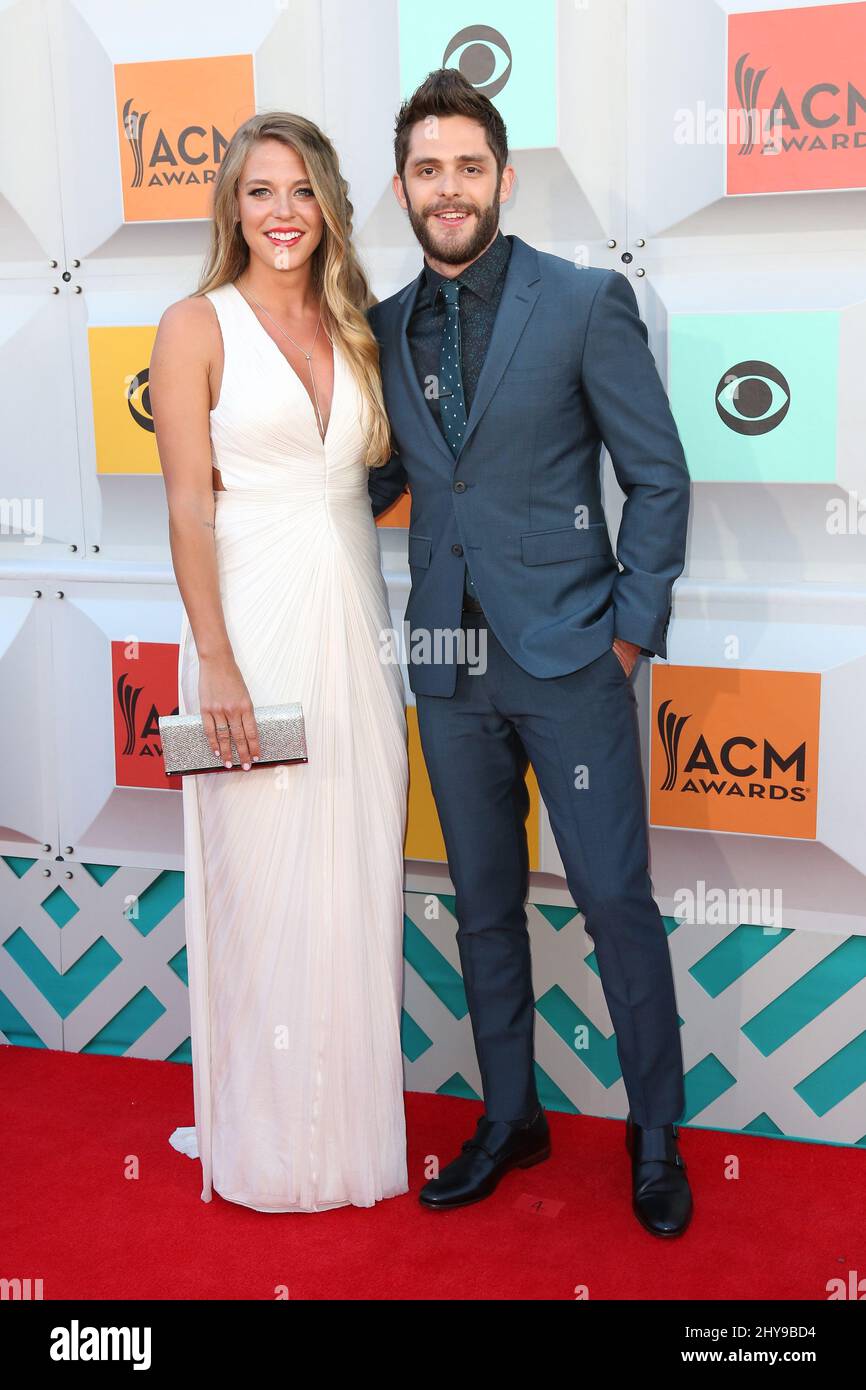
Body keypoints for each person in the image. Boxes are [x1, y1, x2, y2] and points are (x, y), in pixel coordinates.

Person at [367, 70, 693, 1237]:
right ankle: (511, 1115)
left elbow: (655, 476)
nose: (445, 189)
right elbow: (393, 480)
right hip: (449, 662)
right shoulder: (383, 329)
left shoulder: (583, 302)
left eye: (465, 167)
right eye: (424, 169)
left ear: (501, 178)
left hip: (570, 661)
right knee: (482, 906)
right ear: (399, 187)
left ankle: (655, 1135)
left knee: (613, 901)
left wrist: (626, 635)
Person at [150, 111, 409, 1212]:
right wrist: (213, 658)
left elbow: (381, 482)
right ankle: (259, 1135)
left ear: (329, 208)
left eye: (301, 191)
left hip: (351, 629)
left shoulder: (360, 329)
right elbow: (184, 507)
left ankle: (342, 1131)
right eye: (260, 191)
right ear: (232, 209)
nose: (283, 213)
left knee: (352, 884)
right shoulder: (191, 324)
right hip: (243, 636)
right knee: (258, 890)